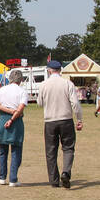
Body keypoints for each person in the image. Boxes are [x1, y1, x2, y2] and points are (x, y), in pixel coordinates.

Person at [37, 60, 83, 188]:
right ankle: (66, 172)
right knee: (68, 148)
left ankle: (54, 180)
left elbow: (39, 103)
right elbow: (75, 103)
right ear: (60, 70)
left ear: (49, 70)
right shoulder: (67, 83)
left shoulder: (43, 85)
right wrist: (79, 119)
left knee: (51, 150)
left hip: (50, 120)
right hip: (66, 119)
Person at [0, 69, 27, 186]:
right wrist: (12, 117)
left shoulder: (1, 90)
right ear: (21, 80)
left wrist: (8, 112)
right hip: (16, 120)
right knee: (16, 150)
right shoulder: (22, 91)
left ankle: (2, 177)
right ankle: (13, 179)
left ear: (10, 79)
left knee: (2, 150)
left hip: (3, 119)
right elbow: (20, 108)